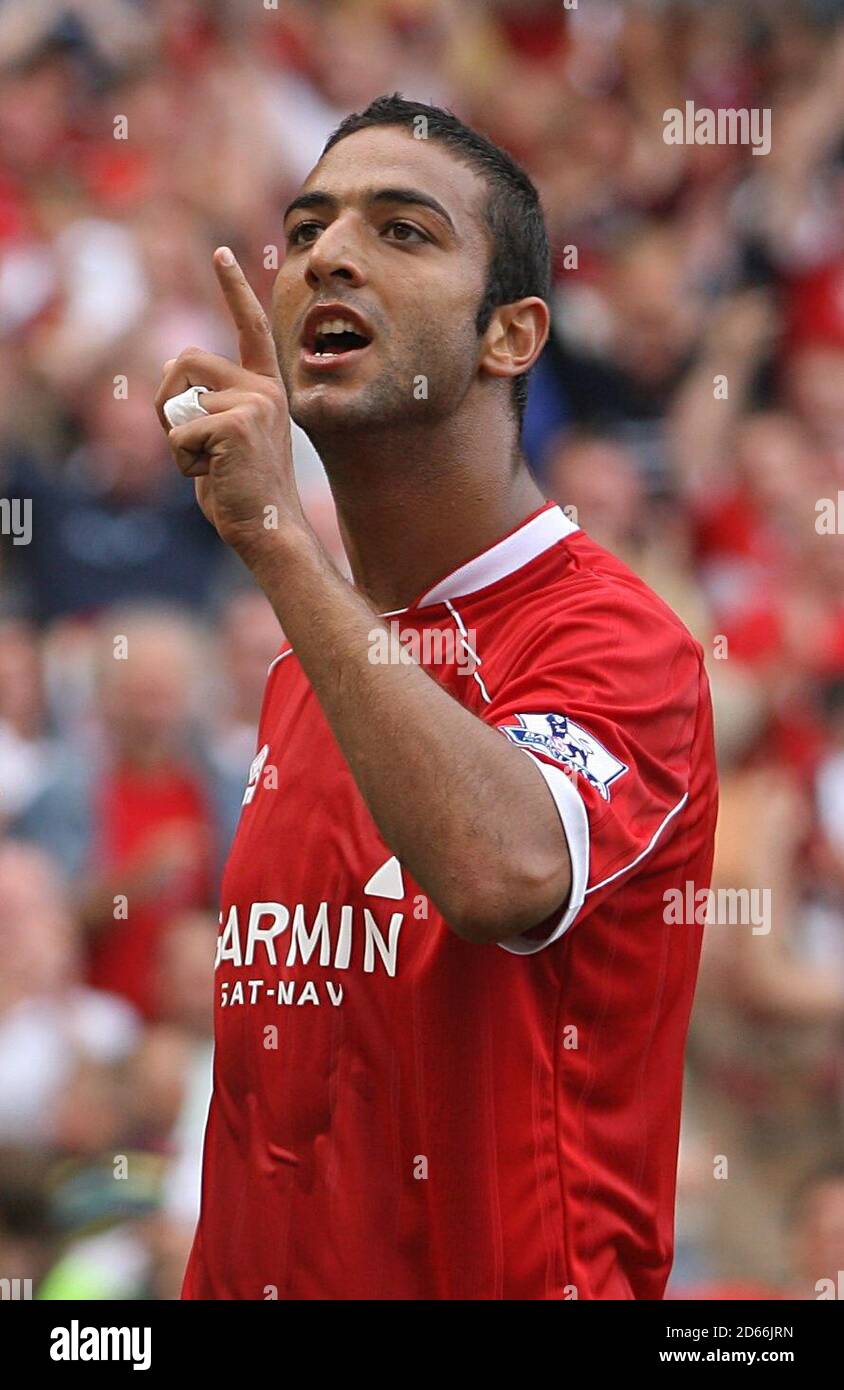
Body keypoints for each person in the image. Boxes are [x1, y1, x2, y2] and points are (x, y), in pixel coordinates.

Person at [155, 94, 718, 1301]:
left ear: (510, 336)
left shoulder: (621, 640)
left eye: (402, 231)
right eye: (306, 230)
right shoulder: (301, 674)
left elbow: (498, 869)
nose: (329, 256)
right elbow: (266, 1136)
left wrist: (277, 542)